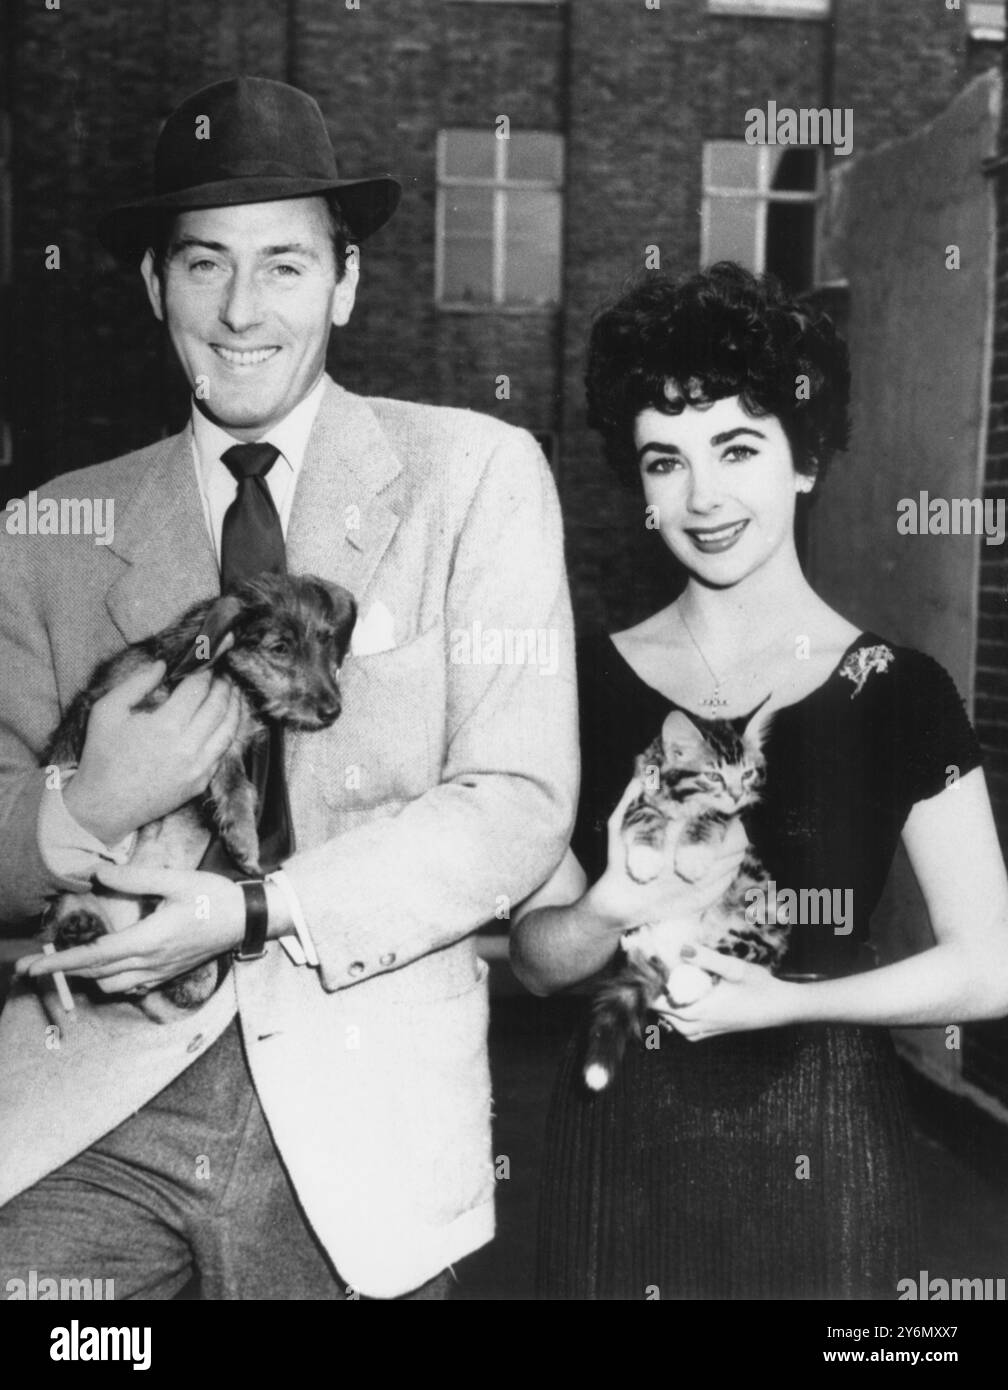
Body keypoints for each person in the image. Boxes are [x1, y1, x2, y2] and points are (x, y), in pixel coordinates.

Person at [0, 76, 578, 1301]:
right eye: (204, 264)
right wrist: (83, 806)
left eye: (286, 264)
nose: (243, 309)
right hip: (82, 1123)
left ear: (347, 283)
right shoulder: (47, 530)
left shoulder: (476, 477)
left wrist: (251, 912)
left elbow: (518, 803)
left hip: (362, 1129)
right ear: (156, 288)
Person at [511, 263, 1008, 1301]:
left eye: (737, 447)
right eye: (665, 461)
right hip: (622, 1139)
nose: (703, 496)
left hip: (823, 1140)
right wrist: (607, 904)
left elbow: (991, 965)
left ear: (806, 458)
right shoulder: (578, 684)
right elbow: (542, 965)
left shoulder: (898, 689)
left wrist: (781, 1001)